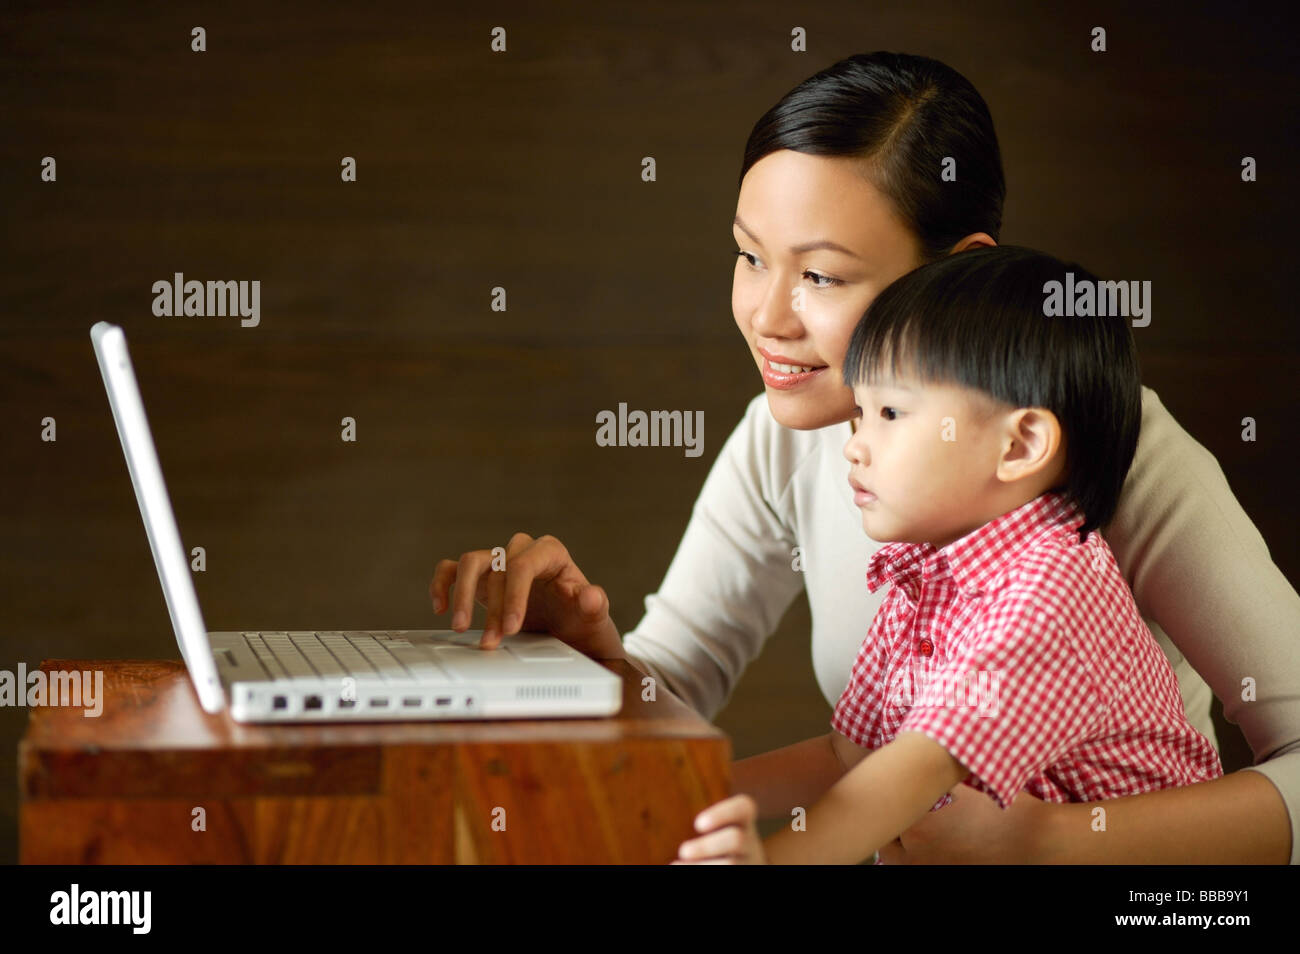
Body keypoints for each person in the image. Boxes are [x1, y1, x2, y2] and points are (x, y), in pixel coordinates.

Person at [429, 52, 1299, 863]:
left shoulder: (1100, 451)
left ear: (953, 276)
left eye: (821, 276)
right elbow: (690, 700)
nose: (766, 317)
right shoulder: (788, 437)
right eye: (748, 256)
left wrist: (1047, 844)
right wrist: (590, 659)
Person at [676, 244, 1225, 863]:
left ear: (1020, 446)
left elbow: (908, 774)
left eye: (890, 412)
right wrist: (691, 793)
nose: (854, 445)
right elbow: (849, 759)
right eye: (859, 412)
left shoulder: (1052, 590)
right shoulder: (922, 575)